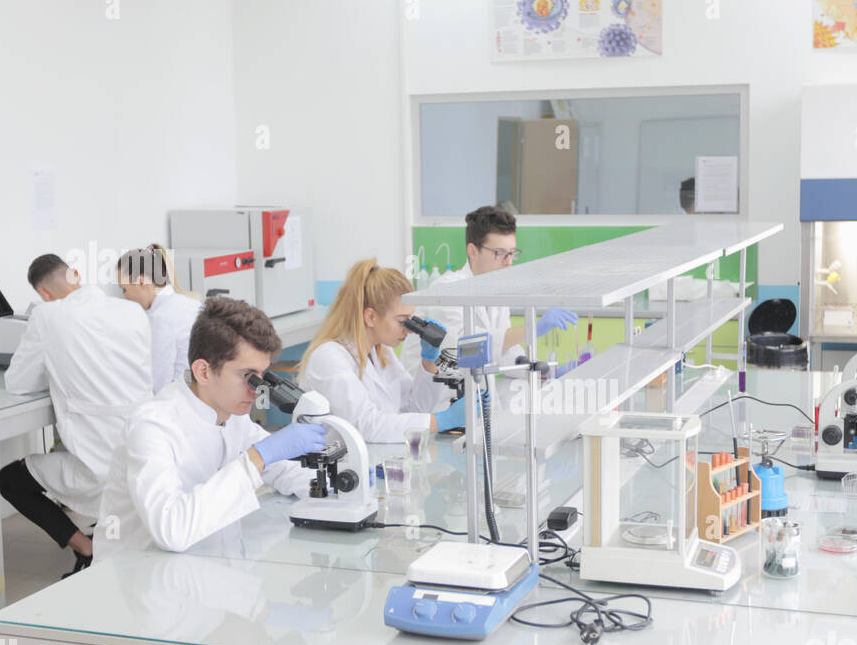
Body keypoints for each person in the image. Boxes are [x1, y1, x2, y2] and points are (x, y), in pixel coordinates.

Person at [95, 297, 325, 559]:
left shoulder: (232, 414)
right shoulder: (153, 426)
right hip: (139, 574)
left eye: (262, 376)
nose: (258, 389)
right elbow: (172, 529)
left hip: (204, 560)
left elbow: (285, 471)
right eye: (246, 376)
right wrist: (257, 457)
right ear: (203, 372)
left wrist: (337, 488)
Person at [2, 253, 153, 577]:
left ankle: (86, 548)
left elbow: (17, 383)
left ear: (43, 294)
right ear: (77, 275)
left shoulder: (46, 315)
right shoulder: (132, 311)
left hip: (99, 466)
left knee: (9, 480)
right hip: (145, 455)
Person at [299, 260, 463, 442]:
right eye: (402, 321)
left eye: (411, 320)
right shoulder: (328, 358)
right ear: (371, 317)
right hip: (334, 466)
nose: (409, 330)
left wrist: (429, 362)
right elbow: (367, 425)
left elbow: (413, 408)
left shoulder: (381, 352)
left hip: (376, 457)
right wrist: (442, 421)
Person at [401, 206, 577, 375]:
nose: (508, 262)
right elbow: (468, 347)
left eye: (512, 253)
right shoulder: (446, 291)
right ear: (473, 251)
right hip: (429, 398)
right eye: (499, 253)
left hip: (470, 389)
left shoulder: (496, 292)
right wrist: (533, 328)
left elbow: (505, 351)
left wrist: (540, 370)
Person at [117, 245, 202, 393]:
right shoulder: (189, 303)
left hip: (183, 402)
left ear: (141, 282)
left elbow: (158, 384)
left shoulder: (160, 317)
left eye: (124, 289)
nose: (125, 297)